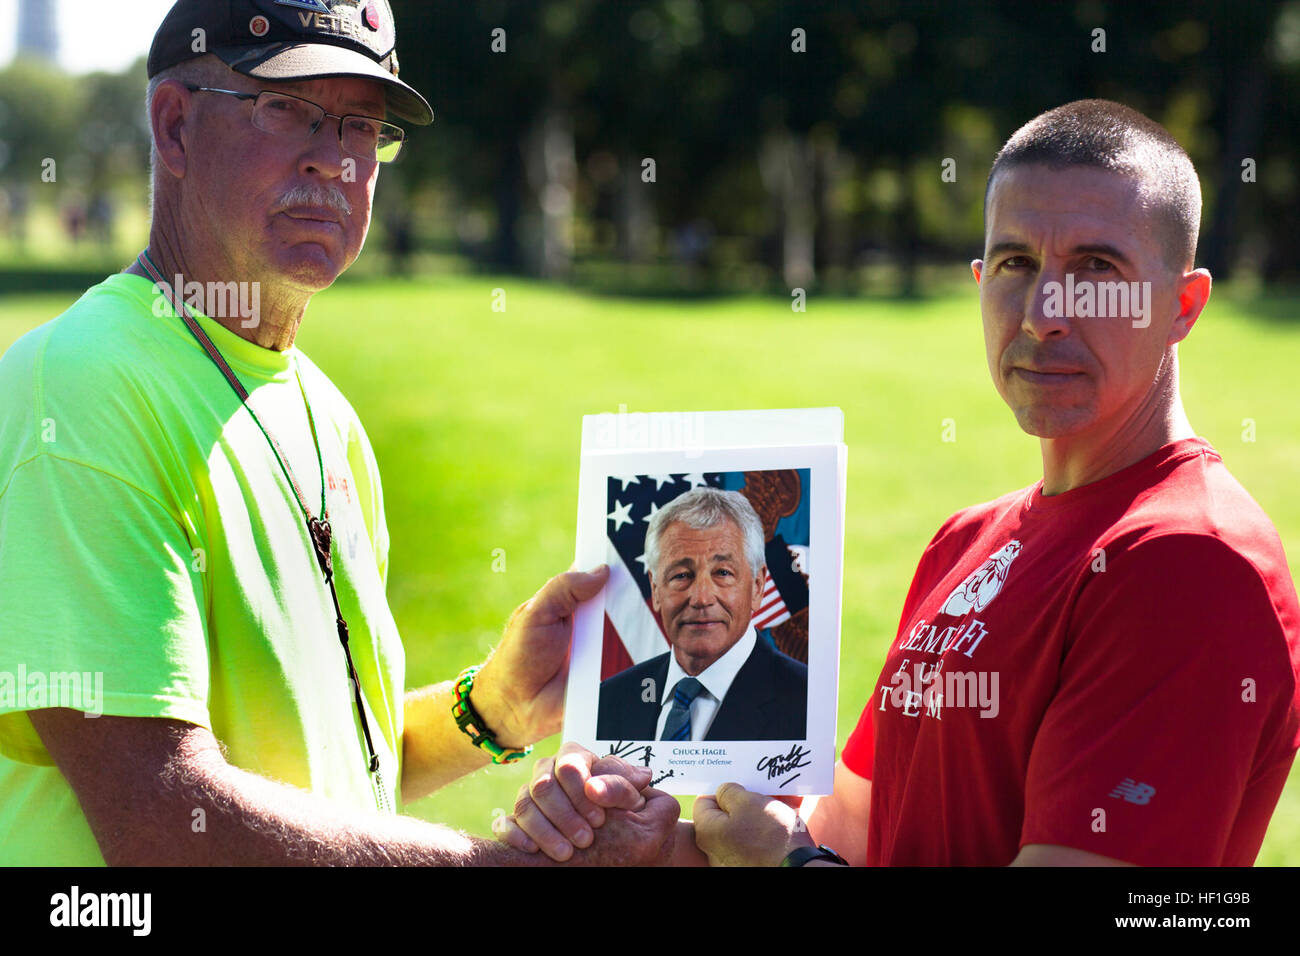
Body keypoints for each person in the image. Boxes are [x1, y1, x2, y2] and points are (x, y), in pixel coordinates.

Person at [498, 99, 1300, 867]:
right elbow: (849, 827)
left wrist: (789, 867)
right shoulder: (970, 539)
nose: (1043, 313)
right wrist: (628, 834)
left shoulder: (1192, 562)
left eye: (1097, 267)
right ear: (982, 280)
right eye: (1018, 264)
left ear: (1183, 304)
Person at [0, 0, 680, 866]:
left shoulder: (327, 414)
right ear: (175, 128)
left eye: (363, 125)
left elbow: (332, 769)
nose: (336, 158)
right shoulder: (85, 382)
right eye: (286, 109)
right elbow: (162, 813)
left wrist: (493, 709)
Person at [596, 487, 808, 742]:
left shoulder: (806, 701)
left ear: (758, 586)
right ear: (656, 588)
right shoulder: (610, 700)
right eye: (681, 575)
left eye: (723, 573)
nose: (701, 598)